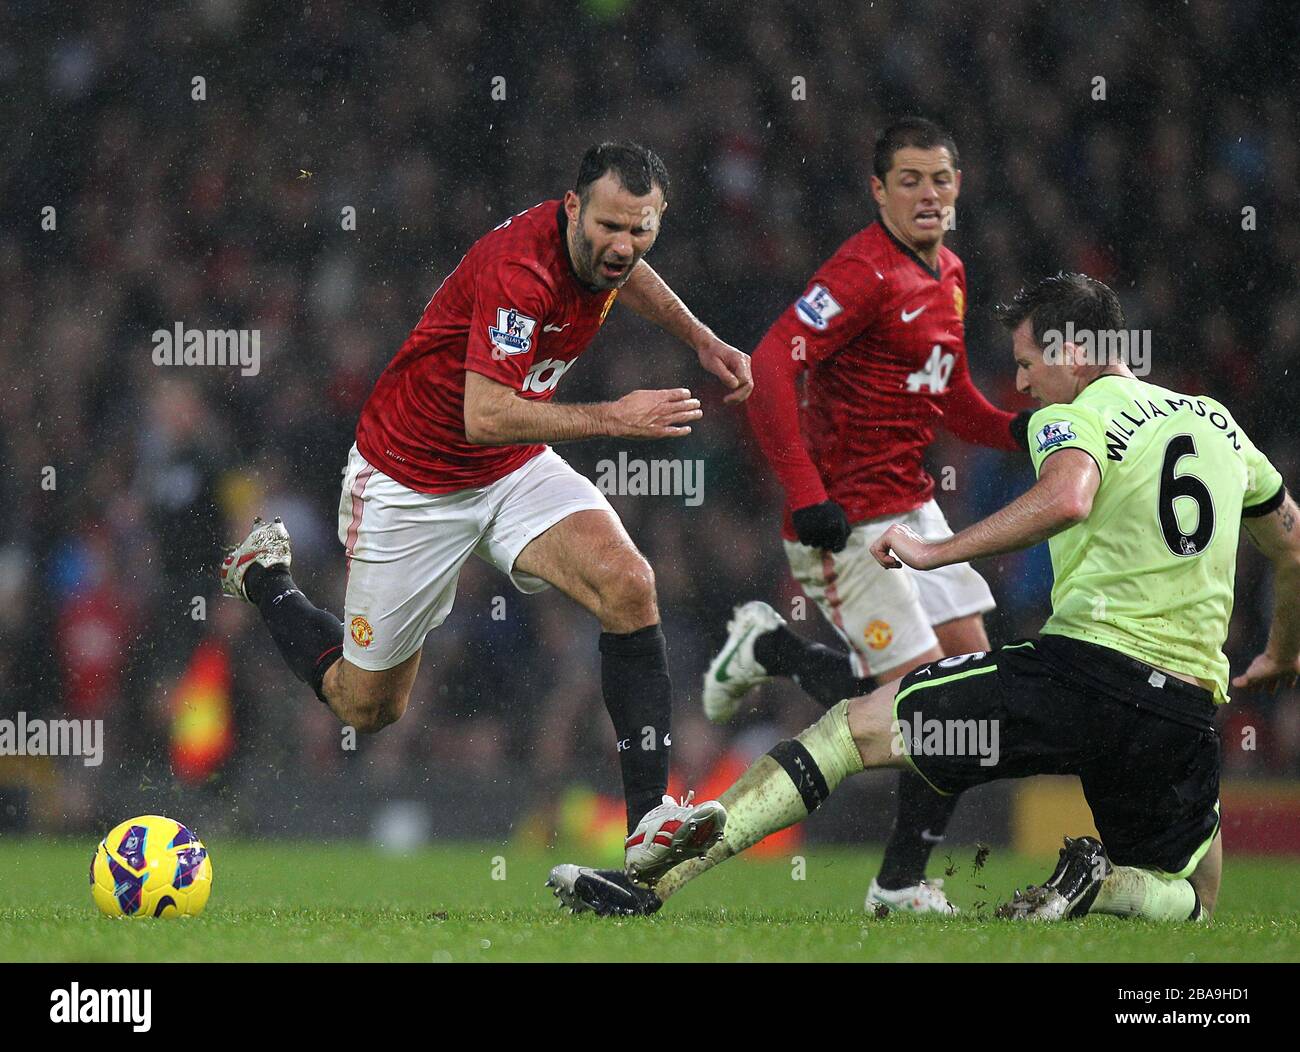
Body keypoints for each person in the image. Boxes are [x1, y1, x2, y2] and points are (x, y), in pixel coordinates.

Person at [550, 272, 1296, 921]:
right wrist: (1280, 652)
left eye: (1030, 363)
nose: (1026, 385)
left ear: (1073, 352)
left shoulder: (1077, 415)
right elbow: (1291, 544)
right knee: (1196, 897)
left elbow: (1069, 497)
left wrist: (936, 549)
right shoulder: (1218, 422)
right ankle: (1099, 888)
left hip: (1082, 678)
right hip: (1185, 708)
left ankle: (653, 885)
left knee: (850, 731)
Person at [218, 142, 748, 871]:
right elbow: (484, 415)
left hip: (511, 467)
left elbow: (630, 280)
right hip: (411, 482)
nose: (623, 245)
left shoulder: (608, 253)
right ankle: (264, 578)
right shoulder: (520, 270)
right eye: (610, 228)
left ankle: (649, 821)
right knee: (367, 706)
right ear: (571, 209)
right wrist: (615, 419)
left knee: (629, 584)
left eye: (641, 228)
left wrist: (700, 338)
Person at [701, 117, 1029, 913]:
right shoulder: (862, 271)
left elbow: (953, 399)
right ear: (878, 190)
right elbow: (774, 359)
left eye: (939, 179)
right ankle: (773, 648)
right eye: (908, 180)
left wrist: (1027, 429)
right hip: (844, 523)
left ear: (958, 189)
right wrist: (807, 491)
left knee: (971, 703)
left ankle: (897, 885)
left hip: (914, 509)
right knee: (920, 708)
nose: (927, 193)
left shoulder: (948, 271)